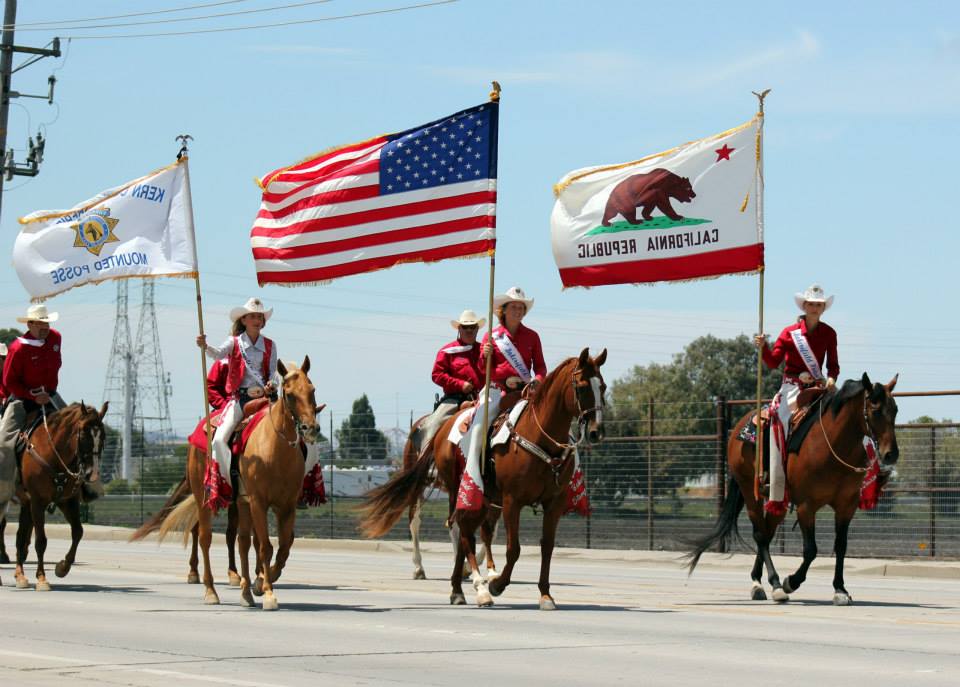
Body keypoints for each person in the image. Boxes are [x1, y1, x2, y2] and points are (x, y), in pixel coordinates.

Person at [457, 287, 546, 510]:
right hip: (497, 392)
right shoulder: (491, 336)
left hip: (526, 392)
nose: (518, 310)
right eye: (513, 307)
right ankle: (473, 479)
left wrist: (537, 380)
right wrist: (483, 356)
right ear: (503, 310)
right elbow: (481, 369)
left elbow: (541, 367)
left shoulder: (532, 336)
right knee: (477, 431)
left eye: (521, 307)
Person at [754, 283, 839, 515]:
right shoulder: (789, 333)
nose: (815, 308)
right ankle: (774, 478)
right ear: (804, 306)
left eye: (819, 305)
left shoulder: (829, 333)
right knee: (777, 420)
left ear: (823, 308)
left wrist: (831, 379)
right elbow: (772, 362)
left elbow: (833, 366)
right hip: (791, 388)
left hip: (818, 386)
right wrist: (763, 348)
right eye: (811, 304)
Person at [196, 298, 278, 509]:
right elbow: (217, 355)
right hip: (240, 400)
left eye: (259, 317)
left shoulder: (270, 345)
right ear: (244, 319)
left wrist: (271, 384)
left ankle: (297, 484)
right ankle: (223, 483)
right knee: (218, 440)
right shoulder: (234, 342)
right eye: (252, 316)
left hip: (264, 399)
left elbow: (273, 374)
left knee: (293, 432)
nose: (257, 320)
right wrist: (206, 346)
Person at [0, 304, 66, 503]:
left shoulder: (56, 338)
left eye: (46, 323)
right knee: (4, 442)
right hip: (23, 399)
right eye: (40, 324)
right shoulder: (17, 348)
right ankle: (5, 490)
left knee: (79, 427)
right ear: (30, 324)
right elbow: (8, 381)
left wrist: (47, 392)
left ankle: (86, 483)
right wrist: (32, 395)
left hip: (51, 395)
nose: (44, 327)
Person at [417, 309, 486, 457]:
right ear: (459, 329)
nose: (469, 330)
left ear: (477, 329)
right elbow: (437, 375)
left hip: (482, 397)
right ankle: (427, 460)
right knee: (433, 425)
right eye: (465, 327)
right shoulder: (447, 351)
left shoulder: (484, 351)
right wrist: (460, 385)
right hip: (454, 399)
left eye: (472, 327)